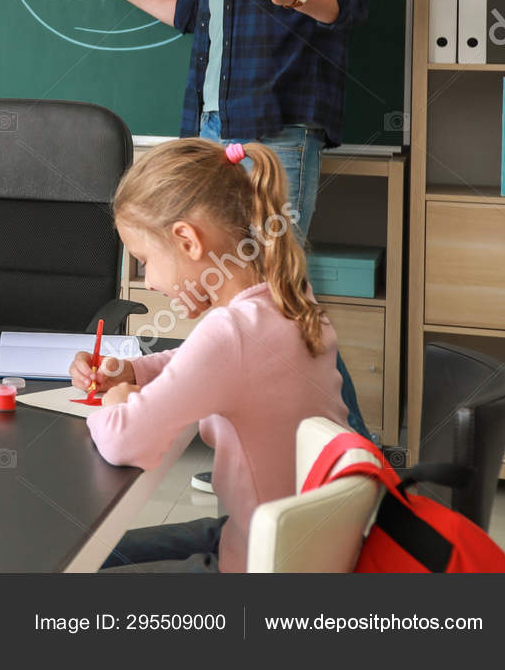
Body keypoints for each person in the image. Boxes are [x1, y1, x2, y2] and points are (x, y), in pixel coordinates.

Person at [92, 0, 372, 448]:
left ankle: (351, 453)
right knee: (227, 293)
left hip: (274, 130)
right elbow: (201, 17)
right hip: (213, 131)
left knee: (280, 301)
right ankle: (256, 446)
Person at [73, 138, 349, 572]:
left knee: (70, 567)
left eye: (145, 260)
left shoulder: (232, 333)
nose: (147, 281)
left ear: (186, 240)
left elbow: (125, 440)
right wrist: (135, 370)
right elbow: (217, 367)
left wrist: (116, 400)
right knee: (93, 554)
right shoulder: (284, 299)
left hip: (256, 563)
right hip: (290, 546)